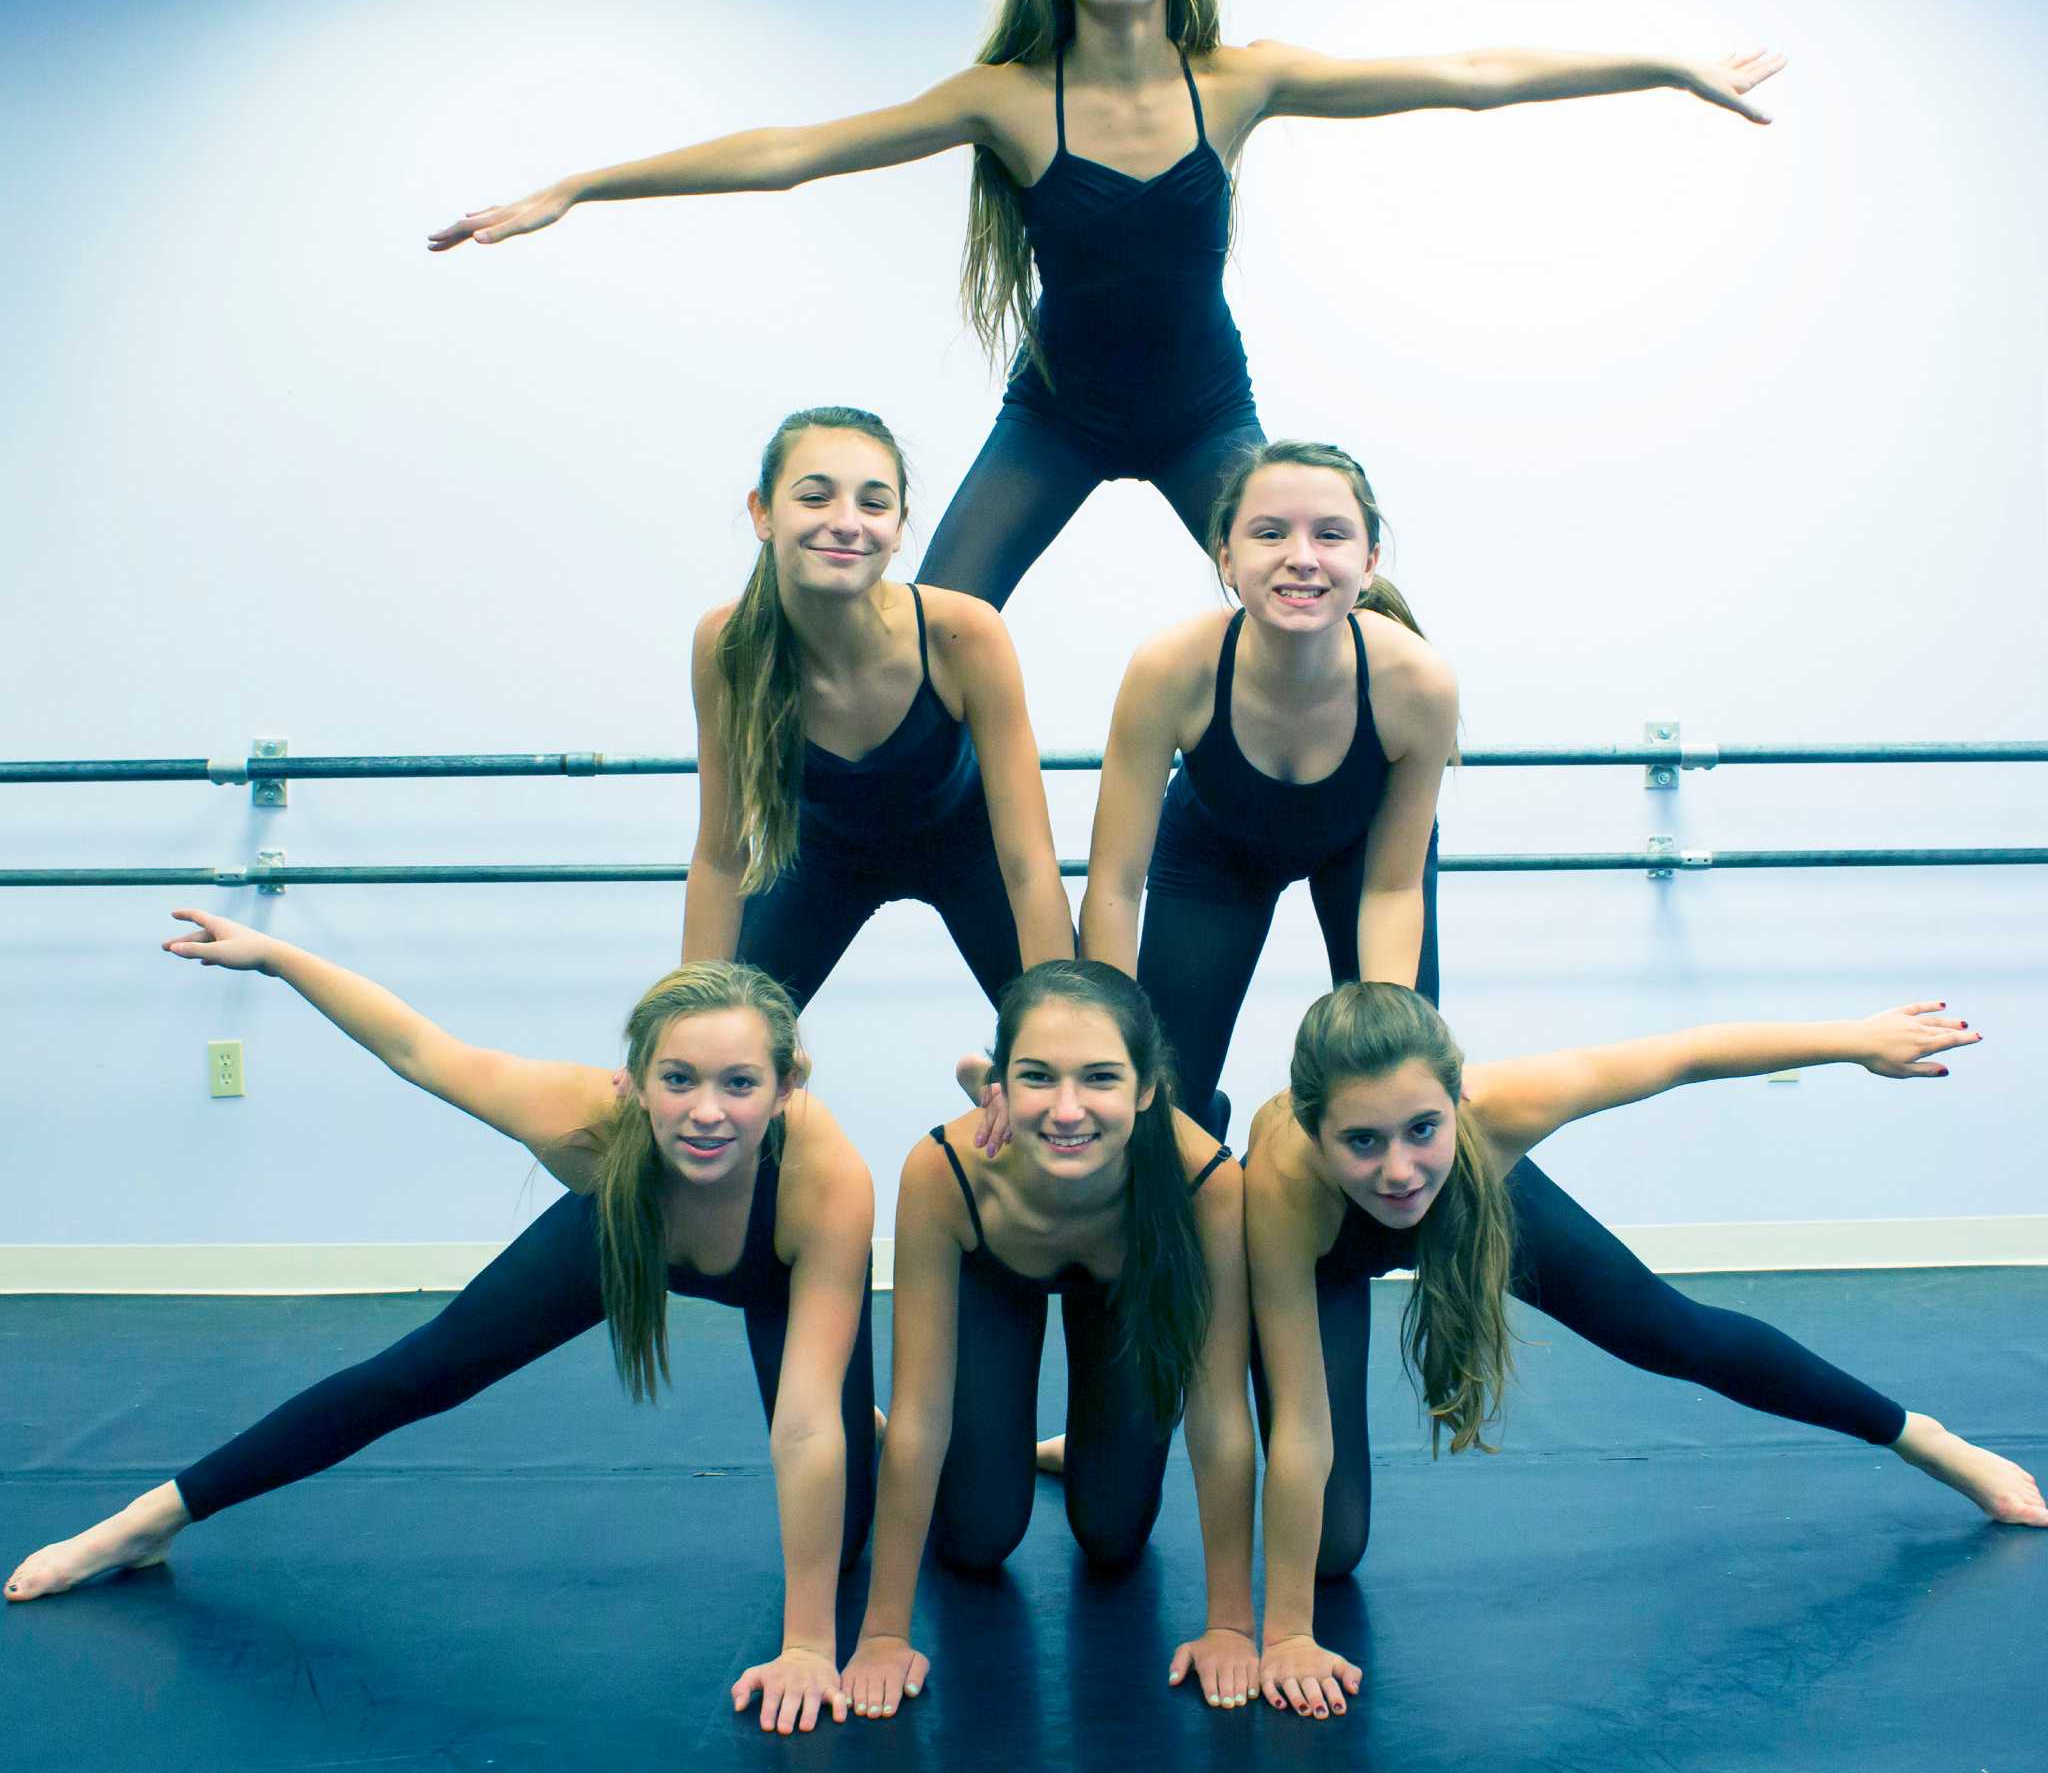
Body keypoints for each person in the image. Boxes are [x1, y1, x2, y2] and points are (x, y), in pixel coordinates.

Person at [427, 0, 1783, 609]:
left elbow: (1473, 80)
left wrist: (1662, 62)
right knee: (930, 630)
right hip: (1058, 415)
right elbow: (793, 152)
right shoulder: (1011, 98)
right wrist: (579, 186)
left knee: (1362, 620)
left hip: (1204, 413)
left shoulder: (1242, 82)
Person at [5, 916, 880, 1738]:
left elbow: (801, 1427)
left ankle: (869, 1429)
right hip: (621, 1225)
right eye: (679, 1079)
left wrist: (807, 1644)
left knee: (838, 1483)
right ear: (633, 1081)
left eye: (739, 1083)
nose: (706, 1112)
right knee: (417, 1369)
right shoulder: (580, 1117)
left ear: (786, 1085)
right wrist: (279, 955)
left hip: (784, 1277)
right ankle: (153, 1515)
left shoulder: (825, 1181)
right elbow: (419, 1050)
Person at [1244, 982, 2047, 1721]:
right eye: (1361, 1141)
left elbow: (1685, 1054)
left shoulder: (1504, 1108)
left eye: (1424, 1128)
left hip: (1475, 1198)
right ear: (1317, 1130)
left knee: (1675, 1331)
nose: (1398, 1169)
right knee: (1334, 1552)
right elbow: (1303, 1428)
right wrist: (1286, 1635)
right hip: (1326, 1265)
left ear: (1458, 1099)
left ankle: (1922, 1437)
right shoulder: (1282, 1184)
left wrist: (1854, 1038)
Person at [839, 961, 1260, 1721]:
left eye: (1099, 1077)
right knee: (976, 1538)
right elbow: (924, 1410)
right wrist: (881, 1633)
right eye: (1037, 1077)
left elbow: (1220, 1411)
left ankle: (1068, 1449)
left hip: (1131, 1270)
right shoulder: (944, 1169)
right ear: (1000, 1086)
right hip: (994, 1274)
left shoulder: (1210, 1182)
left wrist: (1230, 1622)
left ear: (1146, 1087)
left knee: (1114, 1534)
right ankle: (978, 1448)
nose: (1068, 1108)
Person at [1082, 439, 1455, 1135]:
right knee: (1156, 1108)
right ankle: (1199, 1126)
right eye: (1270, 532)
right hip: (1213, 854)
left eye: (1331, 534)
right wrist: (1106, 1049)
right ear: (1226, 557)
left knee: (1394, 1085)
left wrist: (1390, 1044)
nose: (1302, 555)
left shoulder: (1418, 682)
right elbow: (1113, 884)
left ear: (1369, 562)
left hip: (1367, 861)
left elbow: (1393, 889)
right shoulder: (1170, 668)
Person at [685, 405, 1072, 1029]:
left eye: (872, 504)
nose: (845, 524)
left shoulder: (962, 632)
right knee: (713, 1045)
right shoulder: (728, 643)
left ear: (898, 528)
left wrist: (1064, 1039)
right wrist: (681, 1025)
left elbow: (1028, 863)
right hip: (818, 860)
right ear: (762, 513)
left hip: (971, 854)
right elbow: (721, 857)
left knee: (1081, 1050)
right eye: (815, 498)